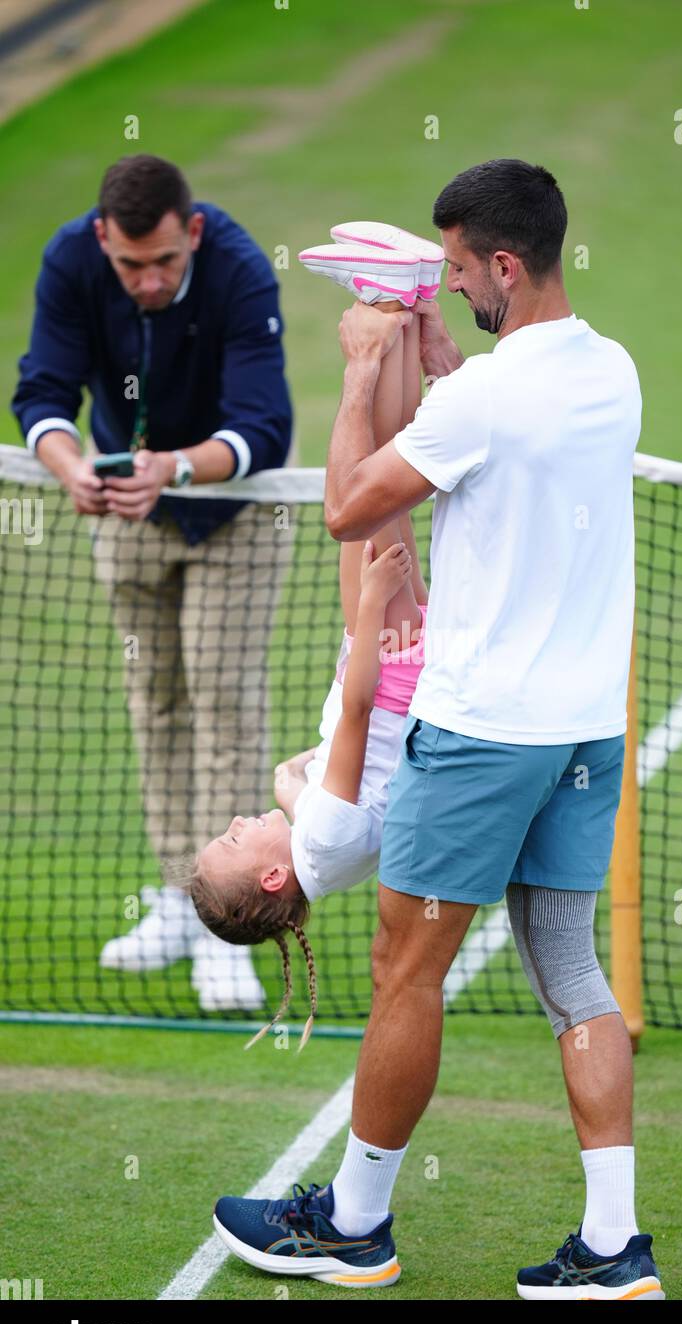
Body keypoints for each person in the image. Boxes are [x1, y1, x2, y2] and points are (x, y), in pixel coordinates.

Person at [212, 161, 662, 1300]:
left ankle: (354, 1224)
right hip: (581, 736)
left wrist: (367, 361)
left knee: (403, 970)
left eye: (459, 269)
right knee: (573, 975)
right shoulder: (610, 372)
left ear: (503, 265)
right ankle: (612, 1249)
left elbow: (345, 509)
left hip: (476, 738)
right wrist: (434, 358)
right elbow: (485, 415)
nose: (453, 285)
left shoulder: (480, 400)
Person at [11, 153, 294, 1011]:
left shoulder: (239, 270)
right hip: (128, 517)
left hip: (229, 514)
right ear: (103, 239)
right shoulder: (71, 261)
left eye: (164, 262)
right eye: (130, 264)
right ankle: (180, 898)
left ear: (192, 233)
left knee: (222, 701)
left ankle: (229, 924)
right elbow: (42, 394)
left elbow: (264, 430)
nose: (148, 280)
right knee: (158, 703)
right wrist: (70, 469)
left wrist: (170, 466)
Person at [183, 230, 436, 1053]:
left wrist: (290, 787)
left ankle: (400, 305)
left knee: (377, 490)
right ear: (268, 875)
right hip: (388, 668)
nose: (233, 819)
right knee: (367, 492)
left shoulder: (319, 854)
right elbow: (355, 716)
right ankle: (388, 311)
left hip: (384, 663)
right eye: (232, 839)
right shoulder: (320, 844)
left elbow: (308, 777)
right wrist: (371, 605)